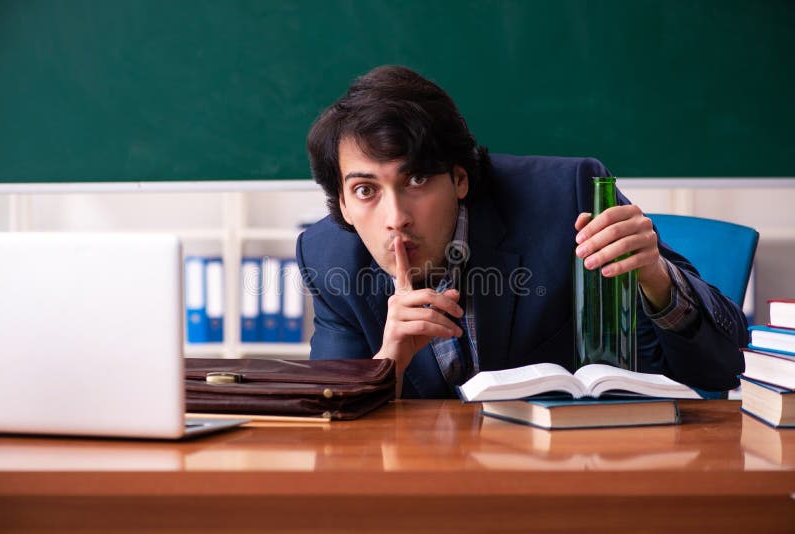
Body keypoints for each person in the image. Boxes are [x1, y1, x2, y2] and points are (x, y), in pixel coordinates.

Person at [296, 65, 746, 398]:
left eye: (416, 180)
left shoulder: (570, 199)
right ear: (343, 205)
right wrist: (389, 360)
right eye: (365, 190)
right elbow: (333, 423)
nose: (395, 217)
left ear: (459, 179)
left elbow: (723, 367)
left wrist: (655, 277)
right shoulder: (328, 256)